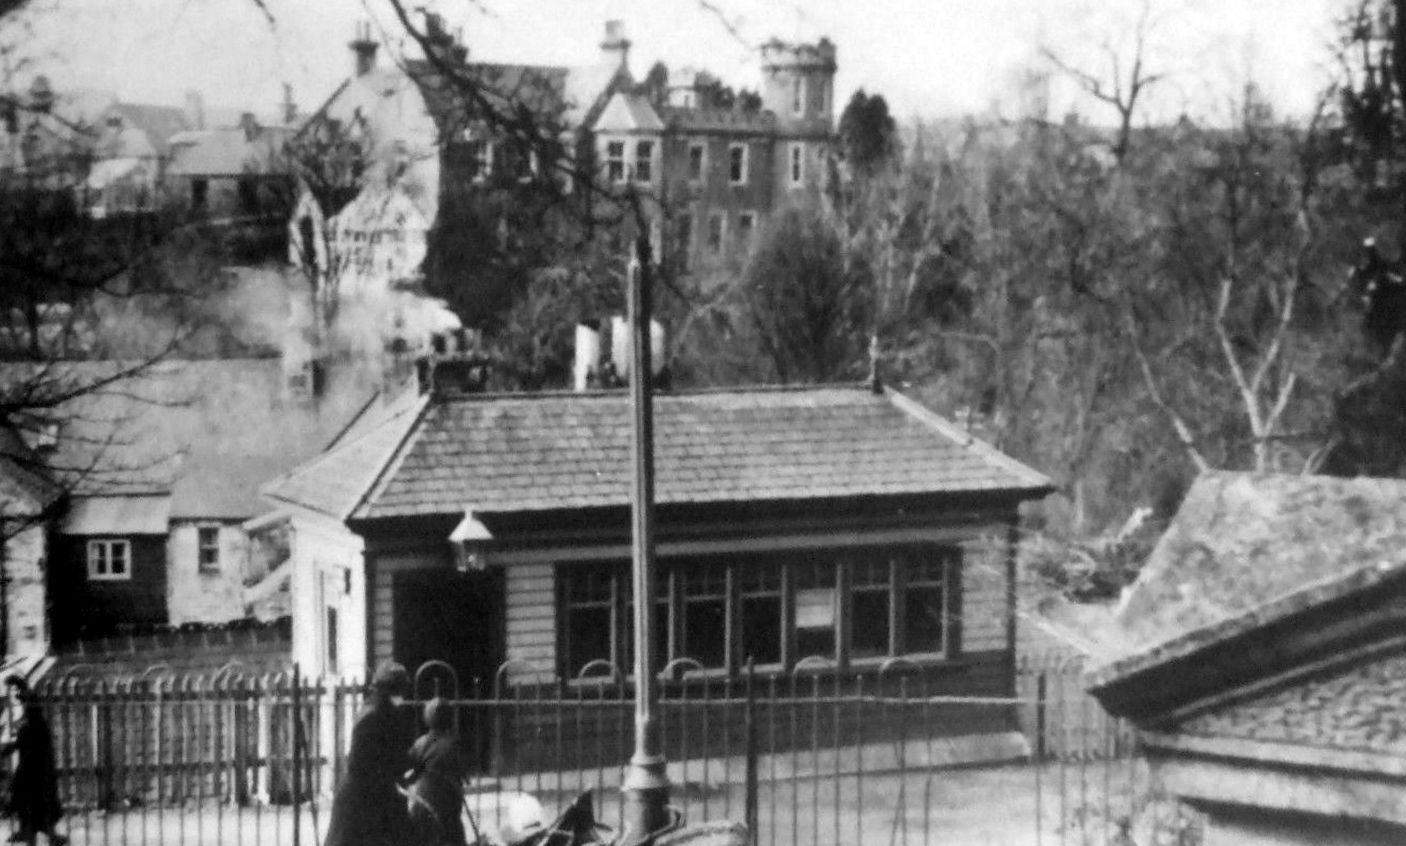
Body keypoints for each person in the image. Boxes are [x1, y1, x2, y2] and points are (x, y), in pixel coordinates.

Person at [323, 662, 414, 846]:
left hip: (374, 798)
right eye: (399, 689)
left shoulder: (382, 711)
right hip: (361, 801)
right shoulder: (374, 715)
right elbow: (361, 764)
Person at [1, 676, 63, 846]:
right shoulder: (28, 718)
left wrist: (8, 749)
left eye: (13, 689)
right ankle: (39, 834)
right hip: (33, 766)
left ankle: (39, 835)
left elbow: (23, 740)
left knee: (34, 803)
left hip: (34, 767)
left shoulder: (31, 718)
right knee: (34, 804)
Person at [405, 697, 467, 846]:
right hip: (448, 806)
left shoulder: (420, 743)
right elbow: (461, 773)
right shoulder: (453, 744)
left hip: (424, 805)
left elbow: (410, 771)